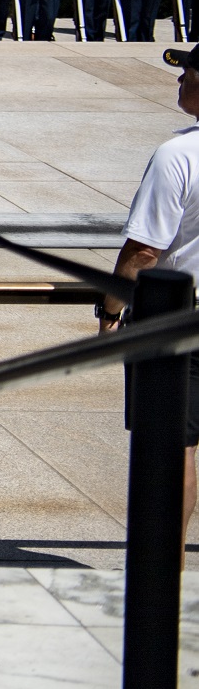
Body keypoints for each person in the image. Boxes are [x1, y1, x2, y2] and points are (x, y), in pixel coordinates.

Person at [101, 44, 199, 556]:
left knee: (172, 443)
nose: (179, 80)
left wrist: (110, 311)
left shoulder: (179, 154)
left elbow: (142, 252)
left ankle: (166, 563)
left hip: (178, 317)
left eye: (187, 72)